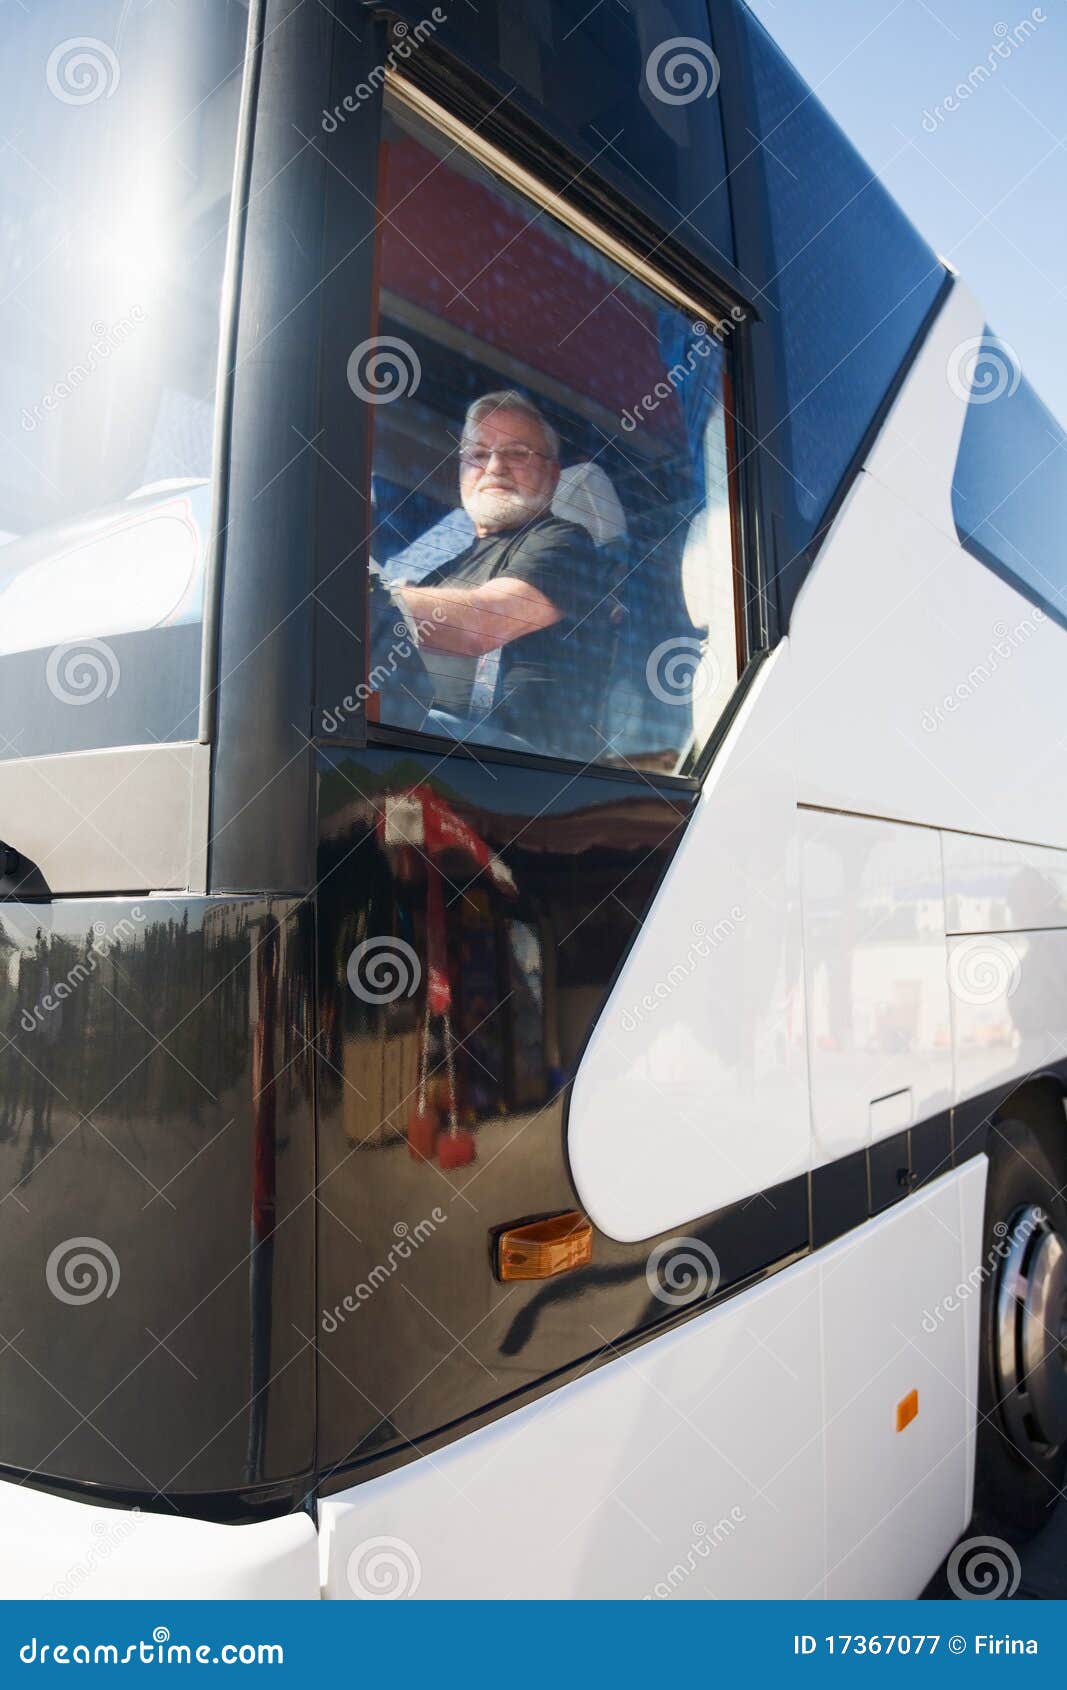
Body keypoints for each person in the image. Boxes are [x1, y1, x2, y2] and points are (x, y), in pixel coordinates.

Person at [392, 391, 606, 755]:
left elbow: (484, 622)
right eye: (478, 454)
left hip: (511, 766)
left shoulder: (565, 542)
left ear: (552, 475)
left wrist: (373, 602)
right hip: (424, 743)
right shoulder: (443, 568)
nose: (494, 467)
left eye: (517, 453)